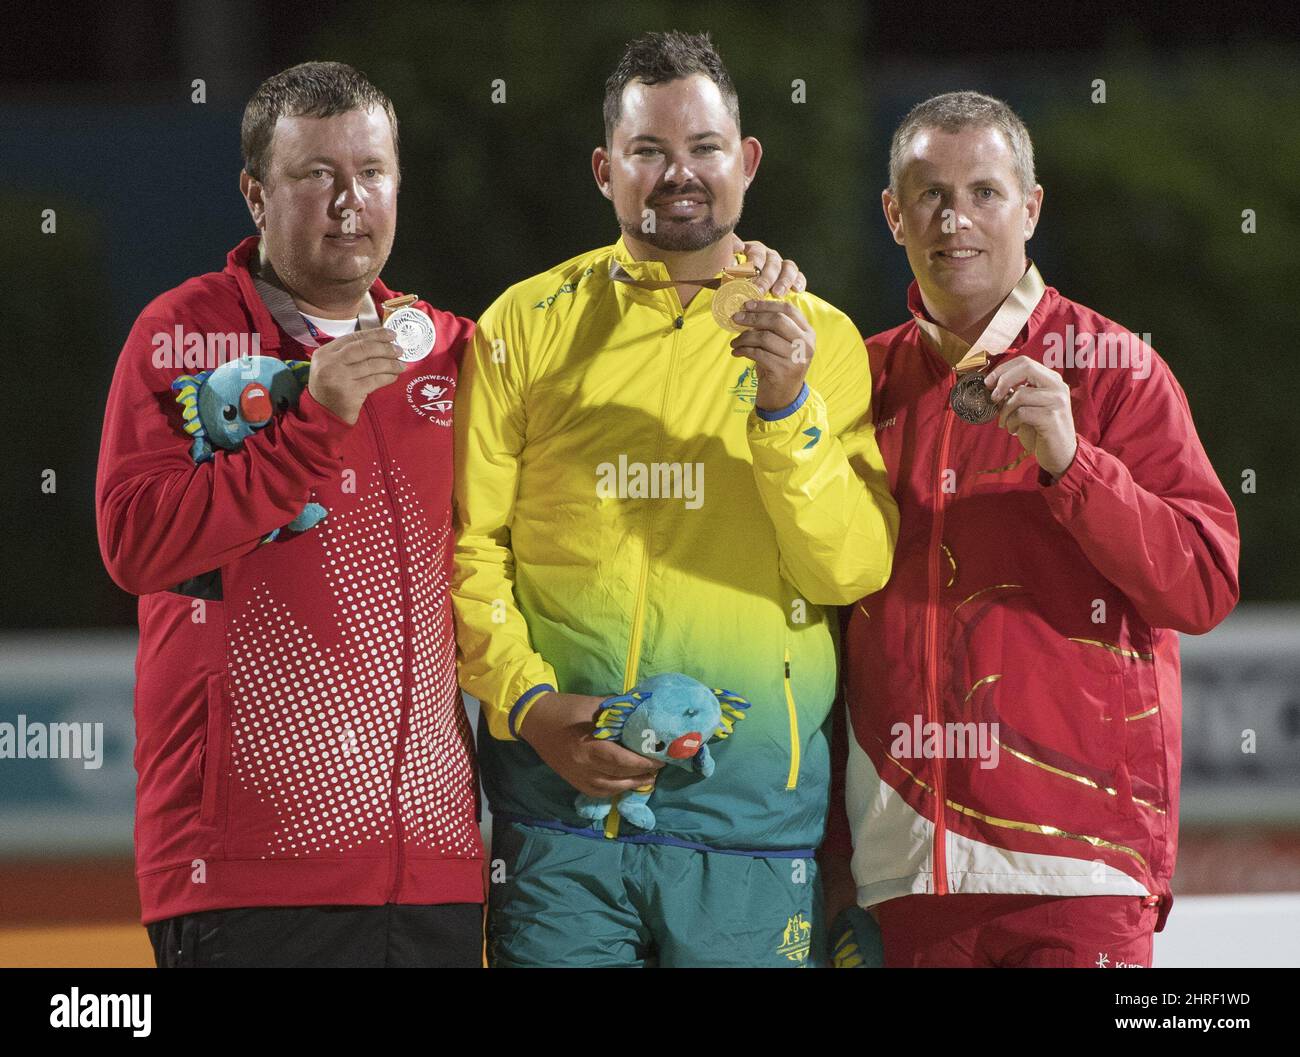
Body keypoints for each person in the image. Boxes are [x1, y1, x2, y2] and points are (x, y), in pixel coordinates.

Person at [452, 30, 898, 968]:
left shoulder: (820, 339)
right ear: (604, 168)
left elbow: (850, 567)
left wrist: (787, 412)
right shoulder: (521, 327)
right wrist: (533, 709)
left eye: (702, 148)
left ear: (747, 161)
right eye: (647, 151)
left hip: (752, 827)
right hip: (558, 821)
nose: (678, 173)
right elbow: (471, 548)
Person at [823, 90, 1240, 968]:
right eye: (930, 193)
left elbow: (1202, 583)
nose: (956, 218)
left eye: (983, 191)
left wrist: (1076, 465)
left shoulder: (1117, 369)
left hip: (1079, 871)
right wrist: (832, 862)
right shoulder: (851, 381)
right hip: (904, 866)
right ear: (894, 214)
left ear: (1031, 208)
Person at [95, 61, 485, 967]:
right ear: (255, 195)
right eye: (316, 174)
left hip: (434, 872)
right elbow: (136, 540)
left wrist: (732, 268)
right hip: (247, 880)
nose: (351, 200)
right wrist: (312, 425)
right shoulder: (184, 334)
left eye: (373, 171)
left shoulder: (448, 352)